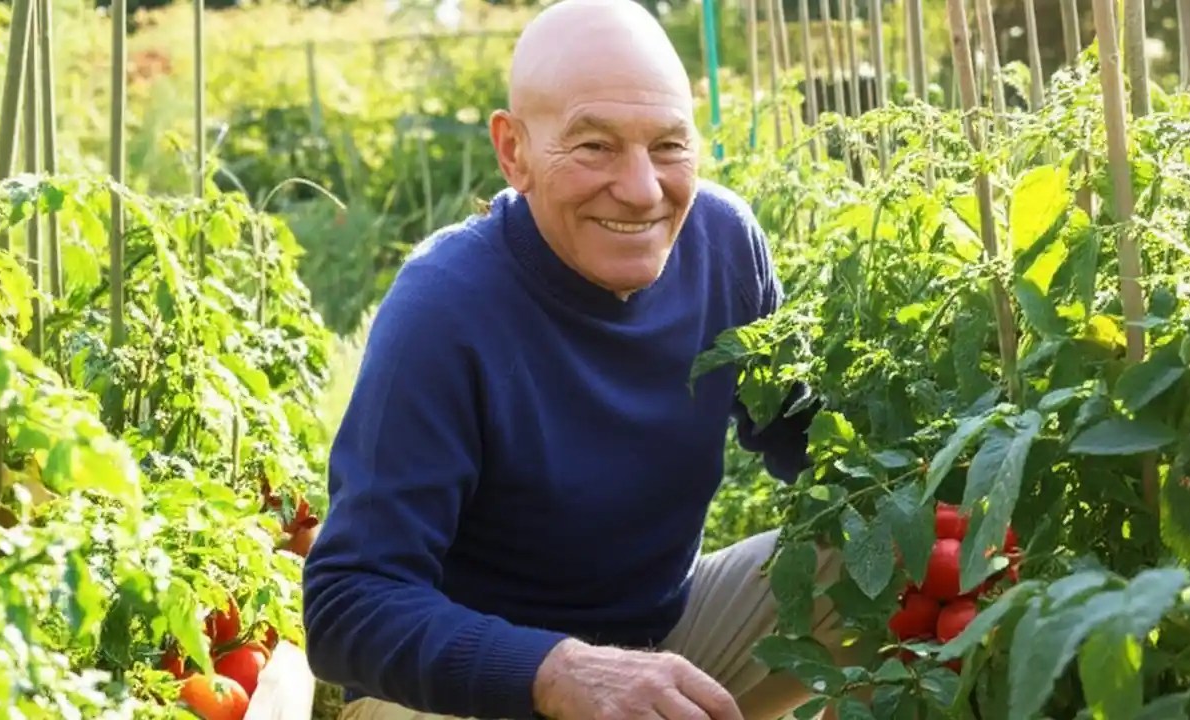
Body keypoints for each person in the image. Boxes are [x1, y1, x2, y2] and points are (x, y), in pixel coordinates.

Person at [301, 1, 867, 718]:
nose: (640, 190)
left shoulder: (722, 245)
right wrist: (552, 670)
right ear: (515, 153)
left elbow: (806, 435)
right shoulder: (444, 308)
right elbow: (346, 607)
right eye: (594, 146)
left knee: (890, 554)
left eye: (668, 146)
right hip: (464, 693)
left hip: (660, 643)